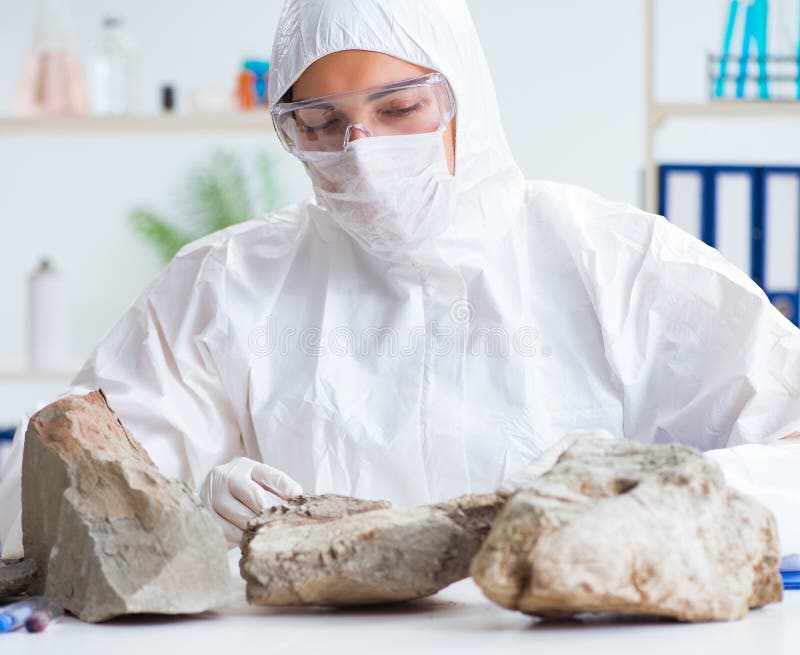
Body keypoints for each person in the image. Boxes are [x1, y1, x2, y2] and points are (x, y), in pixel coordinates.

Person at [2, 0, 800, 568]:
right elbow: (27, 505)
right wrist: (185, 512)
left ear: (466, 100)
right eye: (320, 124)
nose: (363, 150)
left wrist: (639, 492)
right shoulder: (226, 285)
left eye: (401, 107)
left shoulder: (618, 264)